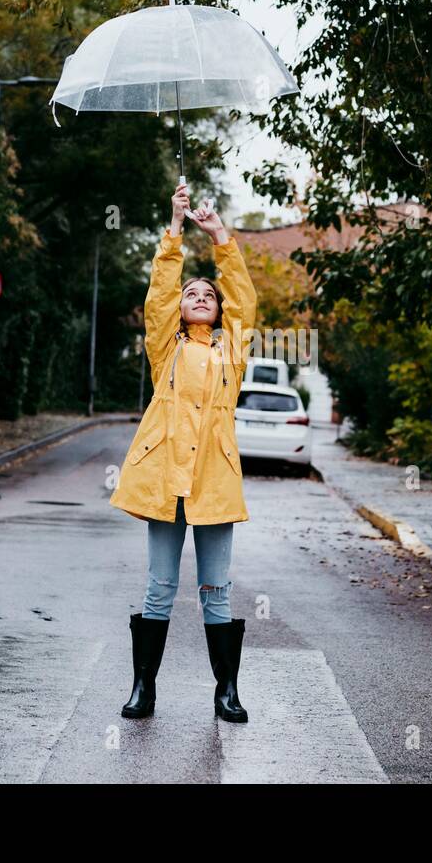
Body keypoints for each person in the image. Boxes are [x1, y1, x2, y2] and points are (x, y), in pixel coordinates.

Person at [109, 181, 258, 723]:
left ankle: (226, 692)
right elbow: (158, 299)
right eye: (192, 293)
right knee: (160, 588)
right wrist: (174, 229)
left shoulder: (231, 352)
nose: (199, 297)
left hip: (214, 481)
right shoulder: (165, 346)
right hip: (164, 480)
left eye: (208, 295)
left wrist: (220, 237)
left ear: (217, 312)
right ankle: (143, 688)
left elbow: (245, 301)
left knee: (216, 588)